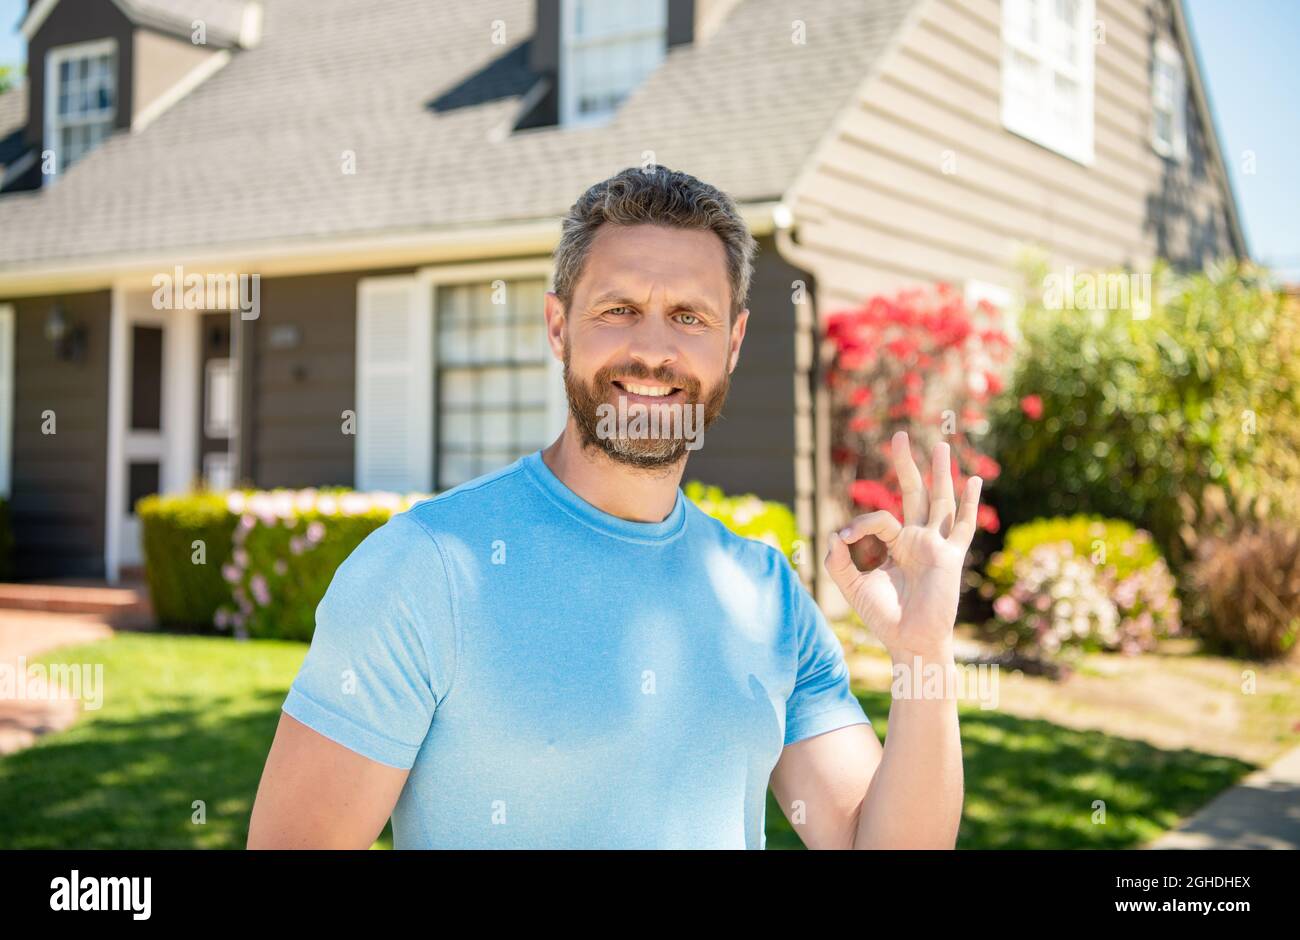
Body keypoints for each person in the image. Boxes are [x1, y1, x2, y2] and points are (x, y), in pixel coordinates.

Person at [247, 165, 982, 849]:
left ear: (733, 343)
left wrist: (924, 657)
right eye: (620, 308)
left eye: (690, 317)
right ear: (558, 325)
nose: (653, 350)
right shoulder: (426, 569)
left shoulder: (767, 595)